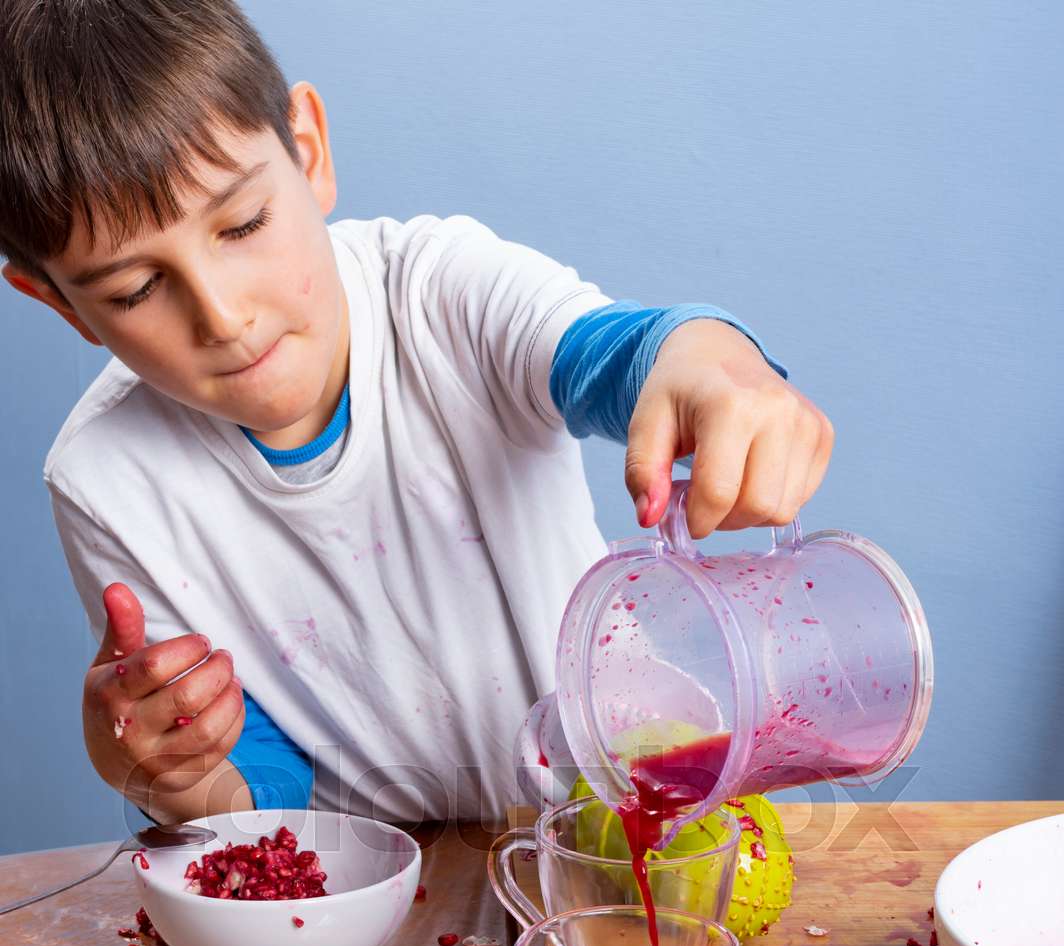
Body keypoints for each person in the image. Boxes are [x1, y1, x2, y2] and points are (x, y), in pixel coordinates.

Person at [0, 0, 833, 829]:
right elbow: (255, 780)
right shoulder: (104, 480)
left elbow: (614, 354)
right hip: (377, 893)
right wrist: (166, 770)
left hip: (614, 827)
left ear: (308, 151)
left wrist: (714, 363)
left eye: (244, 223)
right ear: (64, 308)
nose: (221, 316)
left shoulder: (438, 289)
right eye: (134, 290)